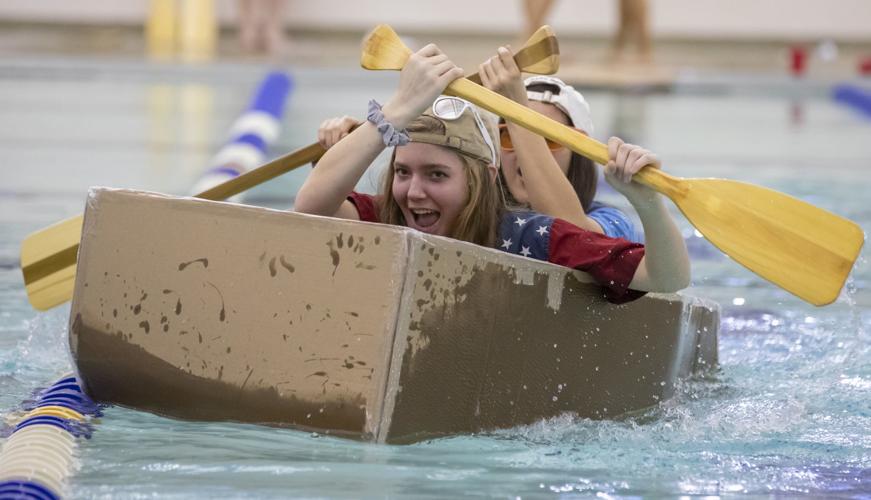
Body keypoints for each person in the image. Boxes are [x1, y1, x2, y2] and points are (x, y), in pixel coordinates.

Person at [294, 44, 689, 303]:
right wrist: (367, 138)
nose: (414, 192)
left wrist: (647, 203)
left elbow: (657, 274)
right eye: (506, 135)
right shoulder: (395, 212)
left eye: (436, 175)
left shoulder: (538, 234)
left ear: (481, 174)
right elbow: (310, 210)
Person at [478, 46, 640, 241]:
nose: (524, 152)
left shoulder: (614, 222)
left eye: (549, 139)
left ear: (578, 154)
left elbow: (577, 241)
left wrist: (517, 112)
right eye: (510, 136)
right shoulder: (476, 213)